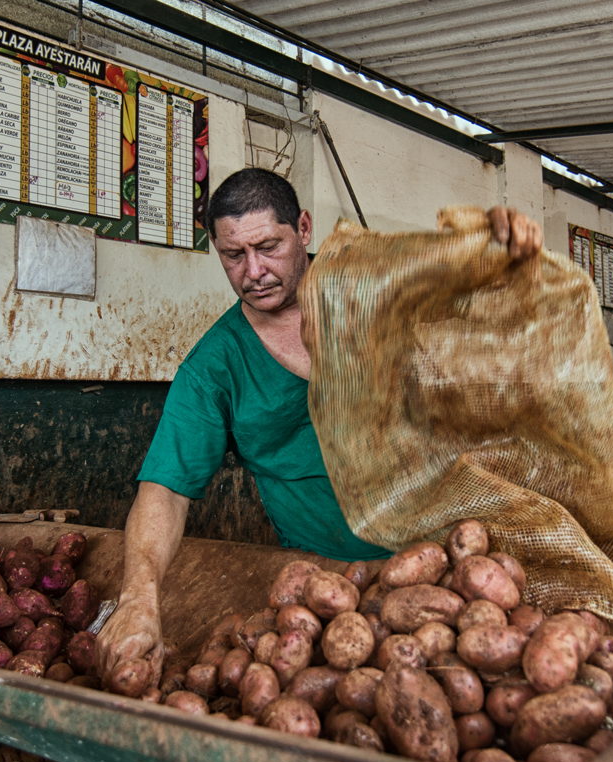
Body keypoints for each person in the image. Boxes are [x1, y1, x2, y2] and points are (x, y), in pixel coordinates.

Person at [94, 168, 543, 683]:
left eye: (269, 247)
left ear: (303, 229)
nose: (254, 271)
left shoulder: (370, 290)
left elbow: (477, 308)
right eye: (233, 256)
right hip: (328, 589)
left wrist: (504, 259)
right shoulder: (216, 366)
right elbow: (166, 491)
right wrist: (138, 598)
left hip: (450, 559)